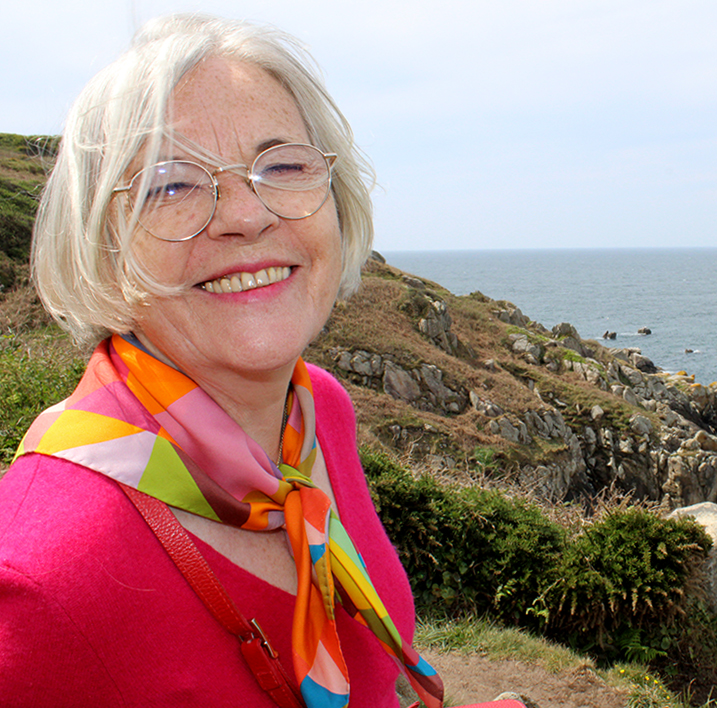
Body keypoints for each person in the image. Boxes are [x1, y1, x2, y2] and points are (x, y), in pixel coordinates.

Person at [0, 14, 443, 708]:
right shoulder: (40, 577)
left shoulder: (317, 409)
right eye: (170, 185)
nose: (244, 213)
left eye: (284, 165)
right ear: (105, 252)